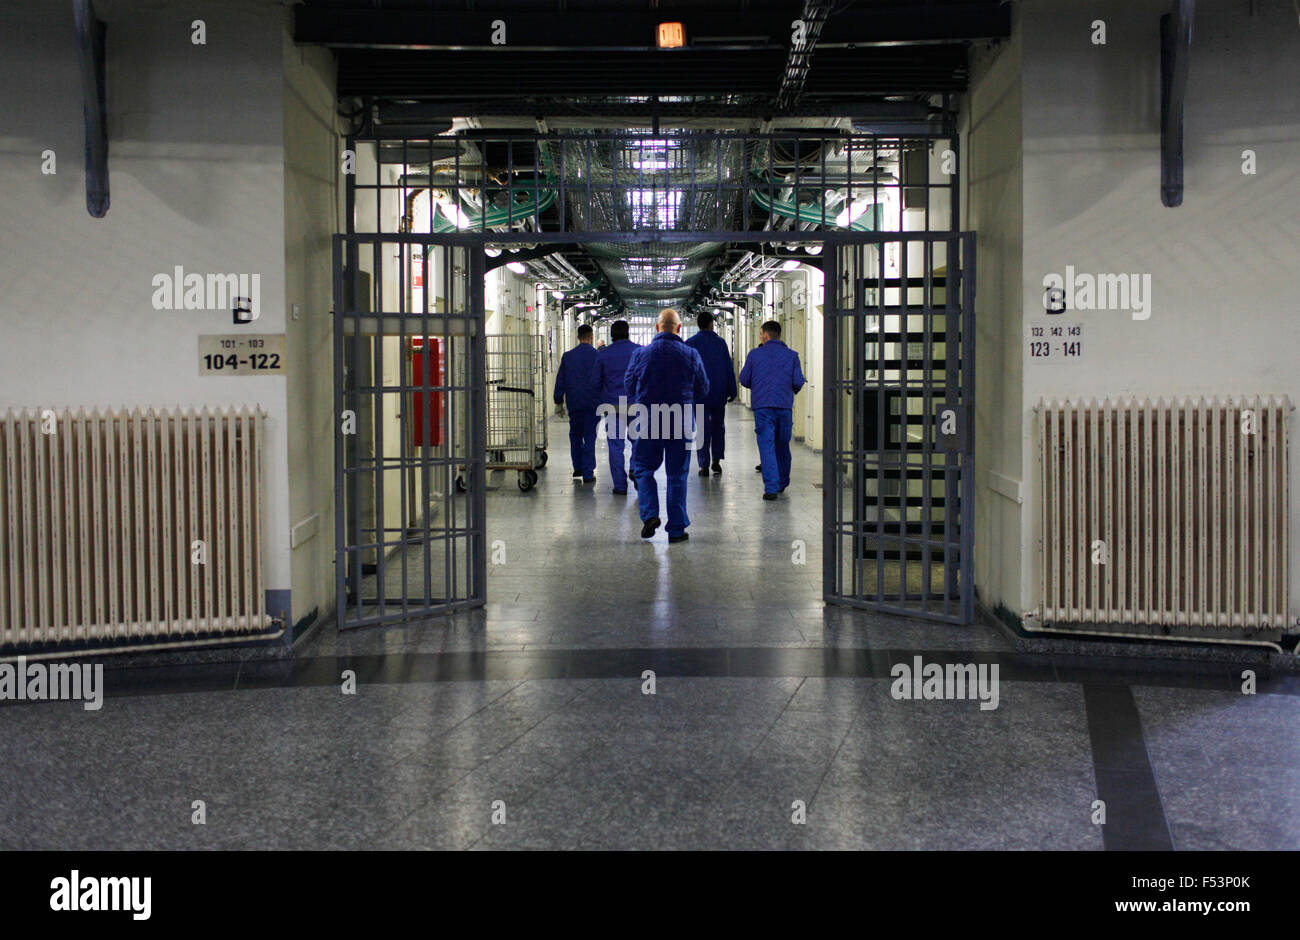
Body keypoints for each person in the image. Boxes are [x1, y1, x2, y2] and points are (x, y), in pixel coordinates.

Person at [624, 308, 709, 543]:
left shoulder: (641, 354)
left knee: (642, 467)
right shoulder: (691, 354)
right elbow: (703, 388)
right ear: (679, 328)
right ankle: (676, 529)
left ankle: (650, 514)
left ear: (657, 328)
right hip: (680, 421)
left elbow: (629, 385)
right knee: (677, 474)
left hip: (648, 420)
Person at [739, 320, 806, 500]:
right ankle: (782, 481)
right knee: (782, 445)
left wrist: (758, 383)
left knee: (767, 446)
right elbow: (799, 381)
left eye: (761, 334)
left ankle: (771, 488)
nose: (760, 337)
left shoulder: (754, 355)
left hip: (763, 408)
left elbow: (744, 379)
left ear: (766, 335)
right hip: (784, 406)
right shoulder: (792, 356)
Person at [684, 311, 738, 477]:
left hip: (698, 394)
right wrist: (732, 389)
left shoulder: (690, 344)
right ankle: (716, 460)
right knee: (718, 426)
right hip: (718, 392)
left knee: (701, 428)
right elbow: (729, 368)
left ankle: (703, 464)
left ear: (699, 325)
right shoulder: (720, 343)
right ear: (711, 324)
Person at [592, 319, 640, 494]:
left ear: (612, 335)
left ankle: (620, 486)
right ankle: (636, 468)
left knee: (615, 446)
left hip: (612, 405)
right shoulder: (639, 351)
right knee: (638, 442)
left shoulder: (603, 355)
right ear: (628, 332)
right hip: (635, 404)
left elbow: (595, 382)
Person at [553, 323, 601, 483]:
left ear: (578, 337)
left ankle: (577, 468)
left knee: (575, 435)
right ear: (591, 336)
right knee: (590, 436)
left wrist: (558, 401)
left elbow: (560, 381)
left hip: (574, 403)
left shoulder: (568, 356)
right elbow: (603, 380)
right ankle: (588, 473)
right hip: (593, 404)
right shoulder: (598, 356)